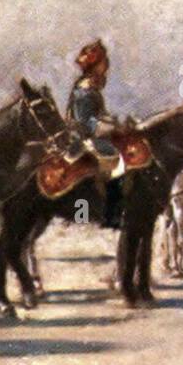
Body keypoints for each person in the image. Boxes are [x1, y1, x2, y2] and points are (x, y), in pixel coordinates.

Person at [67, 39, 127, 226]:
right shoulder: (85, 89)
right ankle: (111, 215)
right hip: (84, 139)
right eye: (103, 65)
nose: (105, 69)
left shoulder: (89, 87)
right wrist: (113, 127)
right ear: (95, 66)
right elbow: (86, 122)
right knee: (118, 162)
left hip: (89, 135)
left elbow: (97, 115)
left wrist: (113, 121)